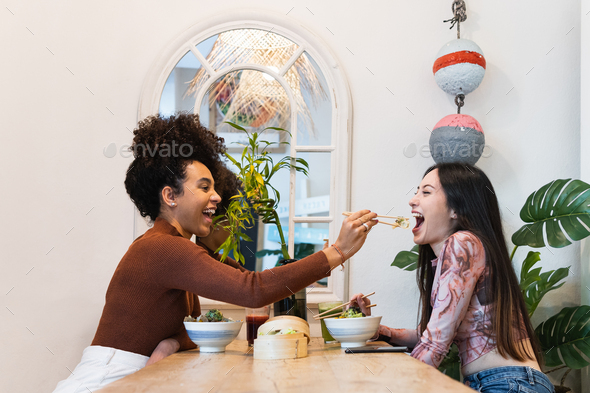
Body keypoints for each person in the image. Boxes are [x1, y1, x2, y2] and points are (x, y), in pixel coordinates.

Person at [53, 113, 377, 393]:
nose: (218, 197)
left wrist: (172, 343)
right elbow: (254, 289)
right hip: (105, 382)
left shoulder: (174, 246)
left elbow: (234, 289)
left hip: (129, 378)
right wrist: (336, 252)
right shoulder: (163, 248)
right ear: (170, 196)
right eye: (205, 187)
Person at [350, 163, 554, 393]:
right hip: (507, 383)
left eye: (426, 192)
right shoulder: (465, 249)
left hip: (510, 384)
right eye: (417, 191)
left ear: (456, 209)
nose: (413, 200)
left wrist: (391, 386)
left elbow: (436, 342)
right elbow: (428, 334)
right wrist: (376, 330)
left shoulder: (462, 243)